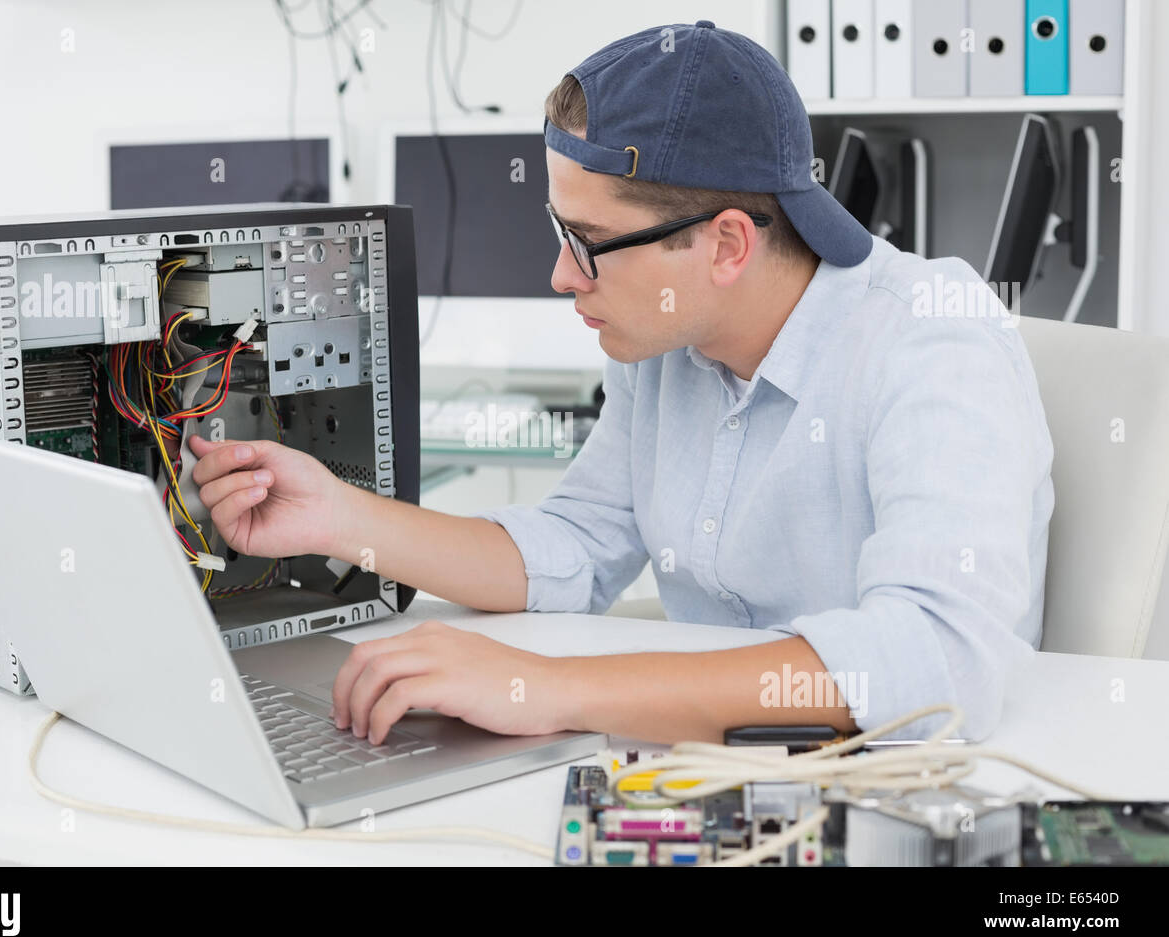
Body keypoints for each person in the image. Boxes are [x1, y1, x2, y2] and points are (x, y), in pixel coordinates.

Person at [188, 21, 1053, 748]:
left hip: (910, 782)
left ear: (725, 245)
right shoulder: (669, 341)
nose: (562, 276)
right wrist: (339, 517)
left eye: (590, 242)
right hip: (711, 767)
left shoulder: (933, 341)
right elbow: (575, 548)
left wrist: (547, 688)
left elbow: (934, 657)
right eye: (559, 230)